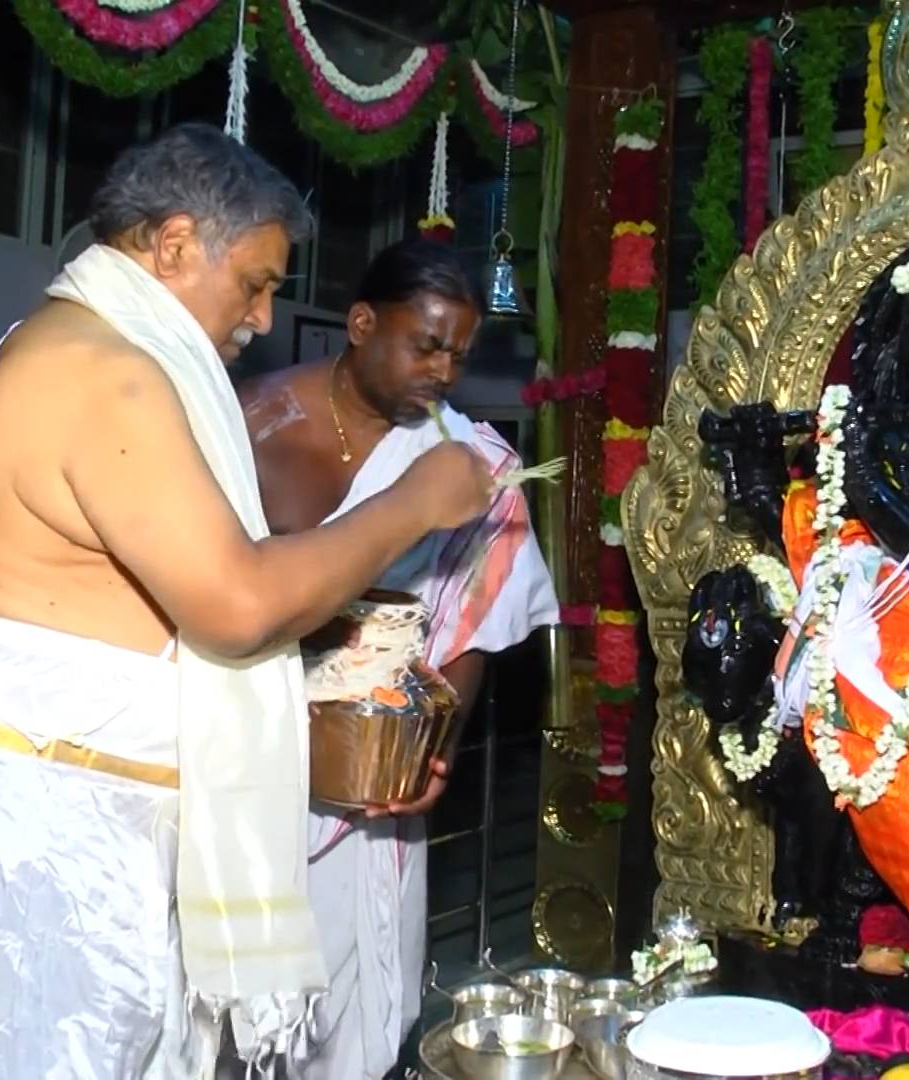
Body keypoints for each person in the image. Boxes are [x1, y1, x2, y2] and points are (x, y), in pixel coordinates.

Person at [0, 123, 495, 1078]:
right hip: (15, 831)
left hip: (41, 802)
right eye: (254, 282)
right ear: (174, 245)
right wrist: (411, 503)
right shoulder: (104, 369)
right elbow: (238, 601)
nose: (260, 317)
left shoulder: (82, 348)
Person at [239, 238, 557, 1079]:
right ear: (360, 323)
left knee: (352, 999)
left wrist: (434, 747)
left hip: (375, 756)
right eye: (426, 343)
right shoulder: (252, 419)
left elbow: (471, 627)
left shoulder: (471, 463)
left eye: (459, 352)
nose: (445, 370)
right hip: (240, 742)